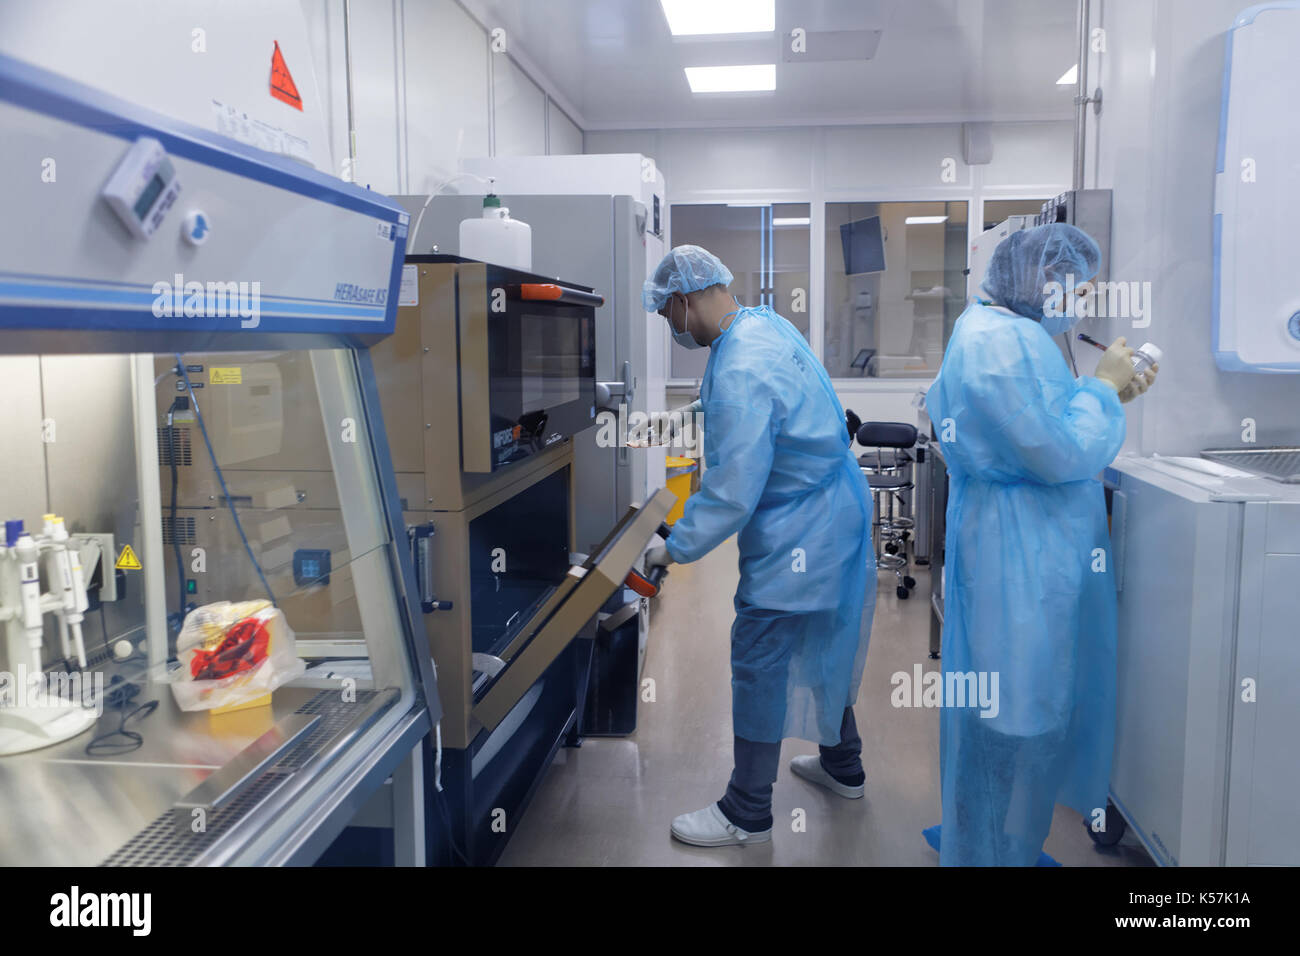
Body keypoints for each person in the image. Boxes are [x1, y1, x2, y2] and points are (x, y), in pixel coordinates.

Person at [923, 223, 1157, 866]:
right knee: (1015, 709)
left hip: (1016, 540)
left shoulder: (1003, 330)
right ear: (1039, 281)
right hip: (1020, 550)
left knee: (1005, 702)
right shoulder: (1000, 343)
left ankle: (991, 841)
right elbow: (1059, 451)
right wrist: (1104, 391)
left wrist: (1100, 392)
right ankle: (993, 850)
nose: (1075, 299)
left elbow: (1041, 424)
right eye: (1070, 285)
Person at [640, 245, 875, 847]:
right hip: (834, 506)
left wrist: (675, 548)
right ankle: (843, 766)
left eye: (669, 315)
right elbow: (771, 400)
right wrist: (695, 413)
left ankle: (746, 810)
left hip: (802, 523)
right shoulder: (761, 323)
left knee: (761, 652)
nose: (673, 328)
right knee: (826, 639)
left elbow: (732, 490)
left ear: (685, 299)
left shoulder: (740, 363)